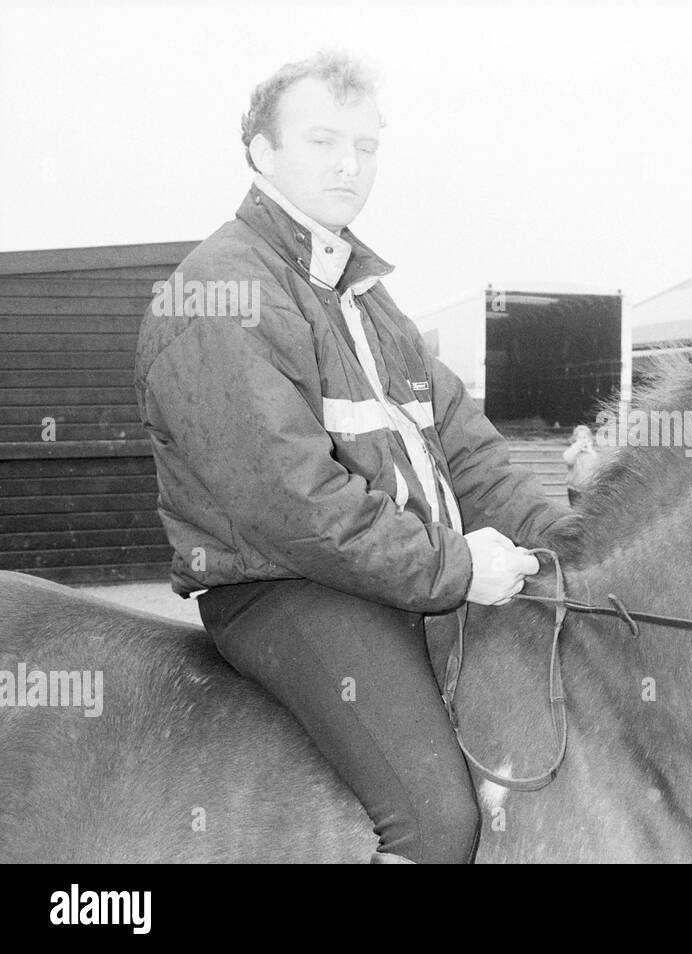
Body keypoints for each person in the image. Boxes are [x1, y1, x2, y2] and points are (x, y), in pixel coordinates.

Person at [134, 51, 566, 863]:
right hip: (284, 588)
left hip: (389, 575)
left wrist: (572, 543)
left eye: (367, 145)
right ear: (261, 150)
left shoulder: (364, 296)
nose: (350, 163)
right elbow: (294, 508)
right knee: (438, 819)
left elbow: (466, 453)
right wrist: (457, 570)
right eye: (324, 140)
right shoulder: (219, 293)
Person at [562, 424, 600, 507]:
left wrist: (590, 451)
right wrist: (577, 447)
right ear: (575, 439)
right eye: (579, 437)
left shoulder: (592, 454)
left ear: (589, 439)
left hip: (589, 489)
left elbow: (597, 467)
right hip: (574, 488)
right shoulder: (572, 451)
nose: (582, 440)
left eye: (585, 437)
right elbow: (568, 459)